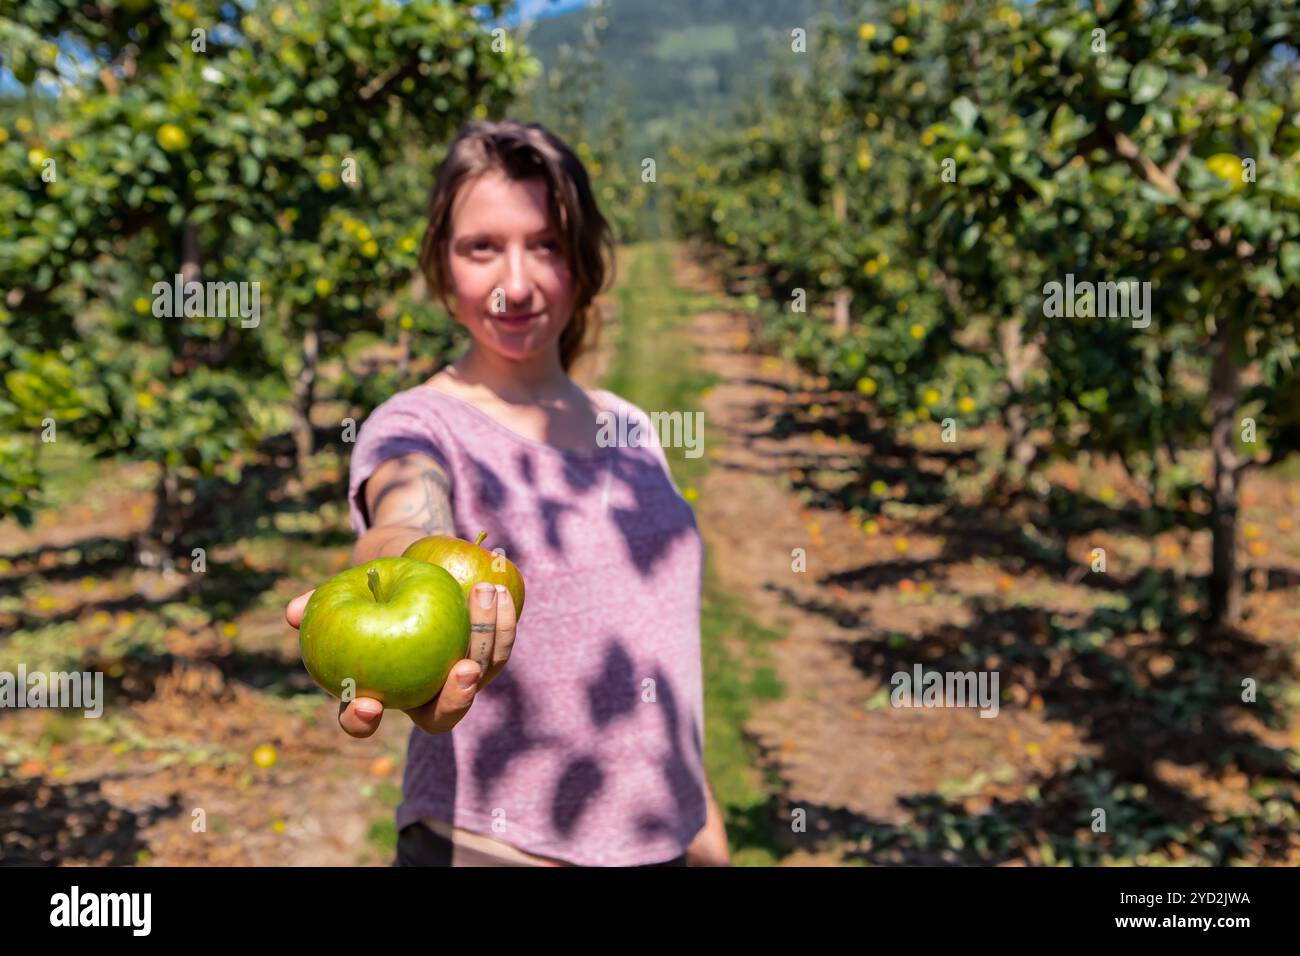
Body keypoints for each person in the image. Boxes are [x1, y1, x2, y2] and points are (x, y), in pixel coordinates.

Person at [284, 120, 730, 867]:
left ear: (582, 260)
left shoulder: (632, 426)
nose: (516, 284)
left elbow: (659, 646)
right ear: (441, 265)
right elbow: (405, 514)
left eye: (546, 244)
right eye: (481, 247)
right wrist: (400, 579)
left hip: (667, 841)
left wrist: (703, 824)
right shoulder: (418, 423)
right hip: (495, 851)